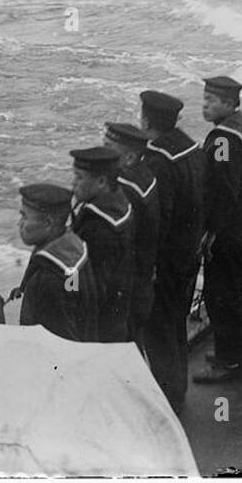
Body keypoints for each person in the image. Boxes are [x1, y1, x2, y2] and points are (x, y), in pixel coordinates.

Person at [137, 91, 204, 410]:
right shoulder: (191, 148)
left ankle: (167, 399)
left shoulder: (158, 160)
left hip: (166, 260)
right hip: (189, 252)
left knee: (159, 328)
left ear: (146, 120)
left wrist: (148, 263)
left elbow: (157, 218)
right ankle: (177, 387)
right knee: (176, 322)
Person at [193, 76, 242, 384]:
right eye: (205, 98)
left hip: (226, 231)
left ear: (229, 105)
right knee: (230, 292)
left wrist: (211, 231)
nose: (205, 104)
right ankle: (234, 352)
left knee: (220, 297)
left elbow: (223, 189)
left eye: (212, 100)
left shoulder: (221, 139)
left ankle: (228, 362)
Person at [13, 183, 99, 342]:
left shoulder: (50, 280)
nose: (19, 224)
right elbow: (72, 289)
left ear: (48, 223)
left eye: (24, 216)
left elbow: (58, 341)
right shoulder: (71, 249)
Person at [68, 146, 135, 344]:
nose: (73, 184)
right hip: (119, 308)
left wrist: (66, 291)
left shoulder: (98, 228)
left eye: (79, 178)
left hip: (101, 320)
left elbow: (86, 280)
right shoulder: (119, 203)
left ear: (101, 181)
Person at [103, 122, 161, 345]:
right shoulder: (145, 176)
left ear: (128, 158)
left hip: (126, 284)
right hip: (142, 279)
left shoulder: (125, 189)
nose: (102, 153)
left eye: (109, 148)